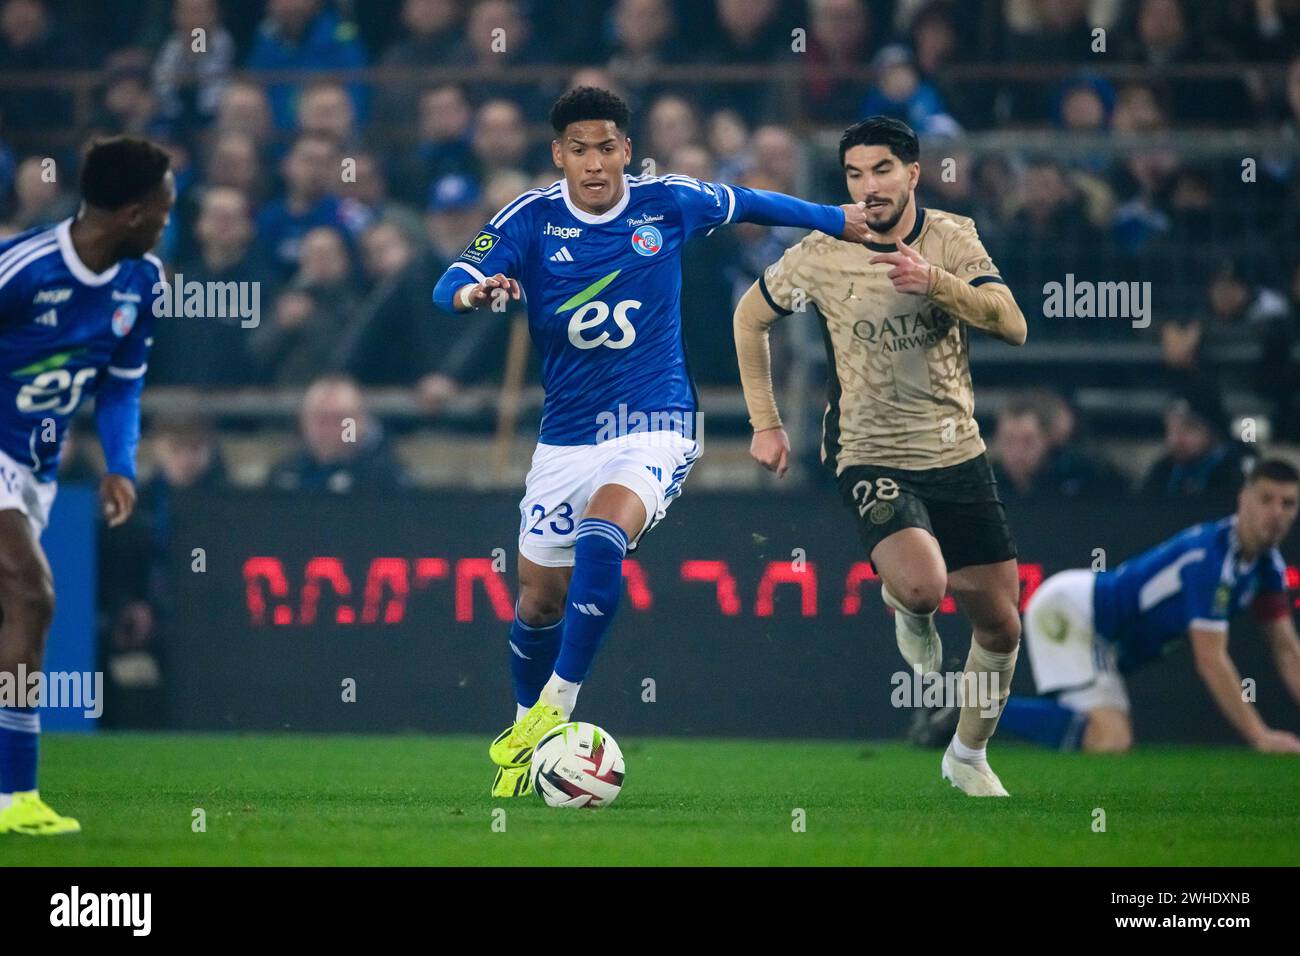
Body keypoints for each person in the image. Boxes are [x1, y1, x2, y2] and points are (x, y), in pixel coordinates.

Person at [431, 86, 873, 798]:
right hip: (565, 440)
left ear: (626, 151)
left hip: (654, 424)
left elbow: (753, 203)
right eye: (580, 150)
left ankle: (558, 704)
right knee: (539, 600)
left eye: (607, 147)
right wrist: (471, 293)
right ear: (559, 155)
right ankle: (523, 733)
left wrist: (837, 219)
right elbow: (449, 278)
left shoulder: (668, 202)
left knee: (604, 533)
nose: (595, 162)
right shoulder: (531, 218)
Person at [733, 116, 1028, 796]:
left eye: (882, 171)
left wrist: (936, 283)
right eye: (855, 175)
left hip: (957, 452)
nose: (868, 187)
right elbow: (750, 318)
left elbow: (1012, 325)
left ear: (914, 173)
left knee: (1001, 624)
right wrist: (766, 423)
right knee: (924, 584)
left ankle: (967, 755)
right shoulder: (822, 250)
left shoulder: (952, 238)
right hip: (869, 450)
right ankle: (911, 603)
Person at [0, 136, 173, 835]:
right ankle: (16, 797)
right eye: (164, 207)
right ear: (132, 212)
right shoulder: (23, 268)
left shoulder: (143, 282)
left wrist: (119, 464)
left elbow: (121, 386)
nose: (169, 218)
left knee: (17, 610)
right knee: (33, 595)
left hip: (33, 473)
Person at [1001, 459, 1300, 754]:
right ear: (1243, 499)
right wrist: (1260, 736)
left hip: (1097, 629)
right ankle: (975, 708)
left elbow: (1287, 652)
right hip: (1074, 612)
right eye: (1266, 499)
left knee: (1102, 733)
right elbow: (1210, 659)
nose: (1276, 513)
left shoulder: (1267, 567)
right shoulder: (1210, 559)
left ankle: (977, 707)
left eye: (1288, 504)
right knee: (1110, 739)